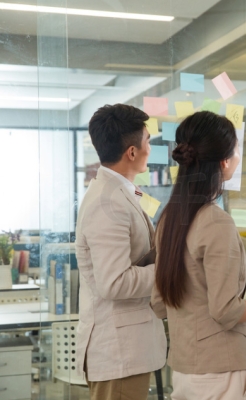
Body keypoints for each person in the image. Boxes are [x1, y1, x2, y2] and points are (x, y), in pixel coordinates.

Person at [150, 111, 246, 400]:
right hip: (221, 370)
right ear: (224, 161)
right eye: (236, 152)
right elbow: (226, 312)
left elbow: (159, 304)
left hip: (184, 369)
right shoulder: (216, 221)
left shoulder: (169, 219)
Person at [75, 104, 167, 399]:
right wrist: (169, 270)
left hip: (127, 349)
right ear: (131, 152)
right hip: (118, 353)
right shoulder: (109, 202)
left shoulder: (120, 192)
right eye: (148, 141)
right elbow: (113, 282)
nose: (150, 148)